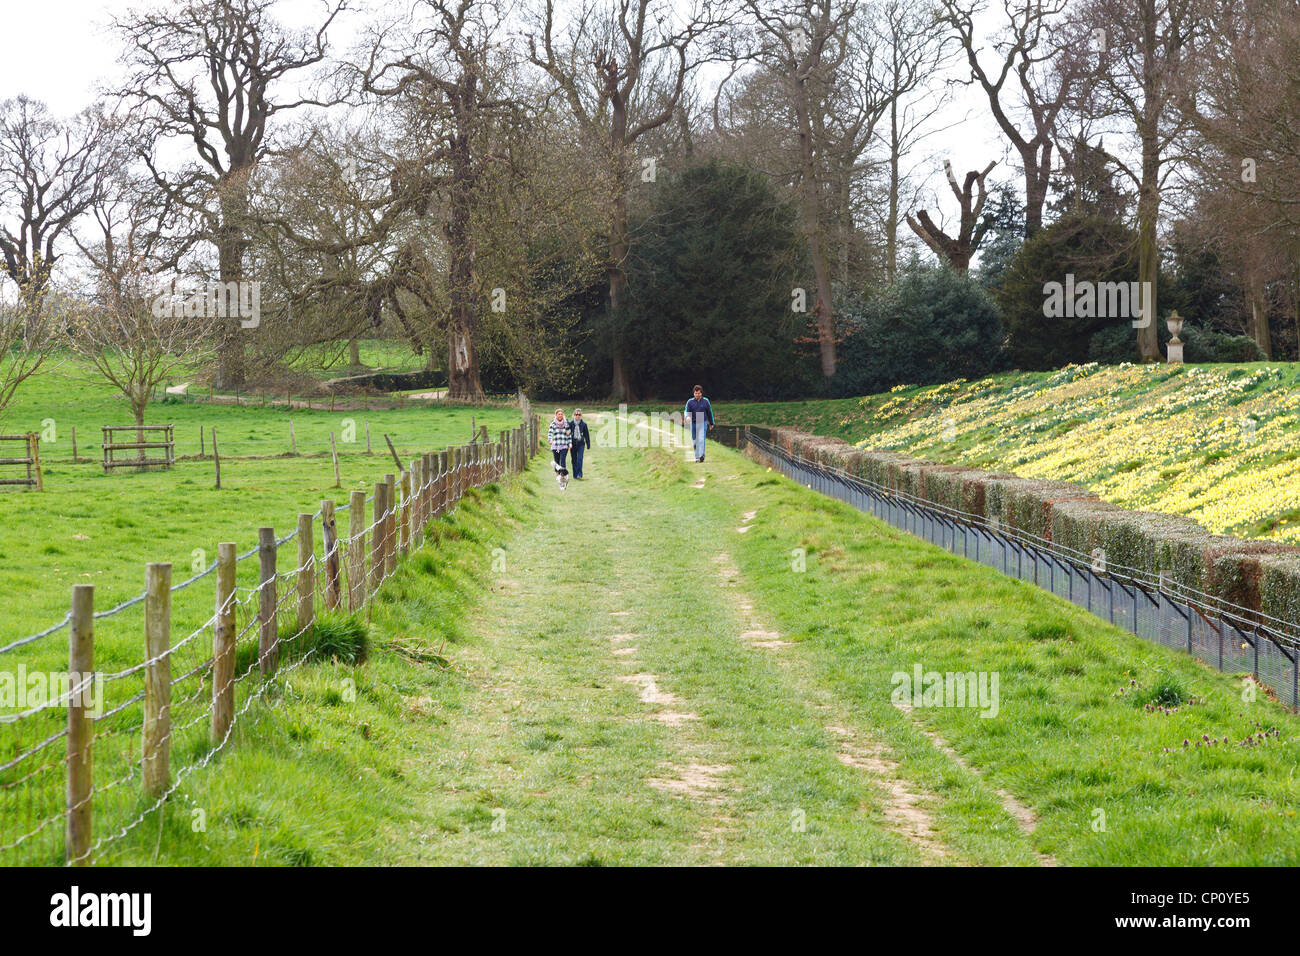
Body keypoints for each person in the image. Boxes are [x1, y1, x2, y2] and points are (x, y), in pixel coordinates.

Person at [684, 384, 714, 462]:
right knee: (695, 441)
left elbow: (709, 412)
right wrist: (687, 417)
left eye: (698, 393)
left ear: (701, 393)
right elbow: (686, 411)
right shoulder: (690, 402)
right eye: (695, 393)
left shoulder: (705, 401)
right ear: (694, 393)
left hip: (702, 422)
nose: (697, 395)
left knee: (701, 439)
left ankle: (702, 456)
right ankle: (697, 457)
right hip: (693, 423)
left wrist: (711, 423)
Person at [547, 408, 572, 489]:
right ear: (556, 415)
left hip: (564, 445)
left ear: (563, 415)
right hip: (555, 446)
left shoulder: (566, 424)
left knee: (563, 460)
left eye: (561, 414)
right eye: (559, 414)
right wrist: (550, 440)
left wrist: (570, 444)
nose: (560, 415)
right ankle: (558, 476)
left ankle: (563, 477)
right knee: (557, 462)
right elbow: (550, 433)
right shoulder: (553, 423)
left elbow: (569, 435)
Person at [568, 409, 591, 479]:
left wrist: (588, 443)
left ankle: (579, 474)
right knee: (574, 459)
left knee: (580, 459)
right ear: (574, 415)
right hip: (573, 443)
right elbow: (568, 434)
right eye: (576, 414)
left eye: (579, 415)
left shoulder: (584, 424)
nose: (577, 416)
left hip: (581, 444)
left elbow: (586, 434)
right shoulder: (571, 423)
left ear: (581, 416)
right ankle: (575, 475)